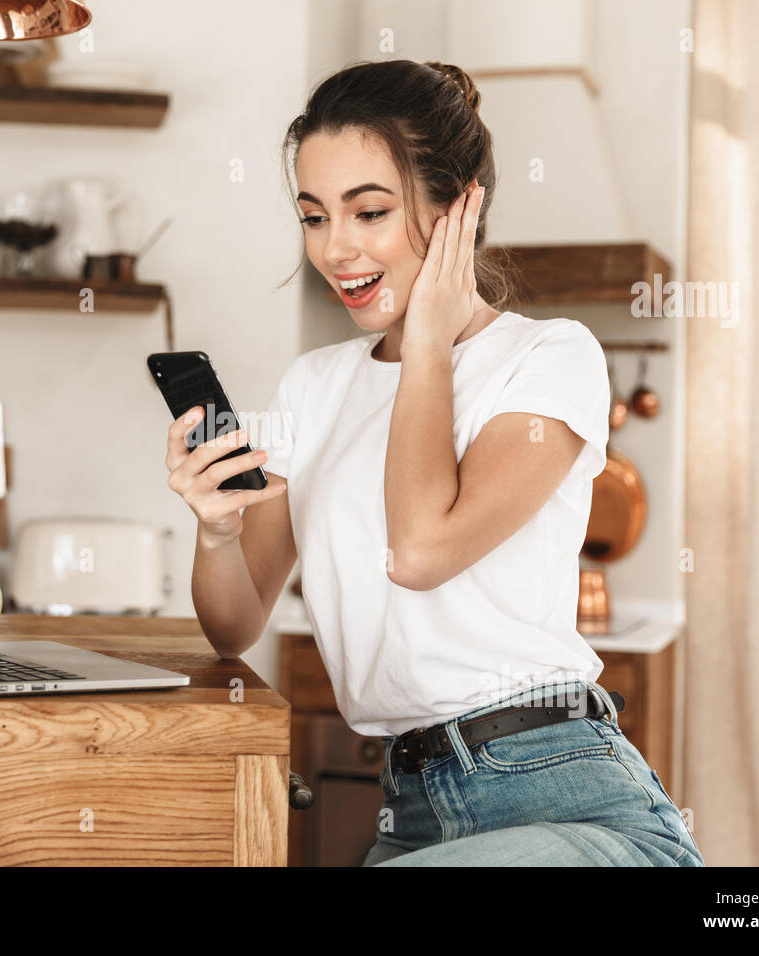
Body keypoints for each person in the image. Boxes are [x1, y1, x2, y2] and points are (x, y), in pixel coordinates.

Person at [162, 59, 703, 866]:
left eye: (369, 212)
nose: (336, 248)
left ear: (460, 207)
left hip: (567, 794)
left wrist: (426, 345)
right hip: (411, 812)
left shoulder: (550, 357)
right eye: (314, 217)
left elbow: (419, 552)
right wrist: (214, 531)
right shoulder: (315, 384)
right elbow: (236, 625)